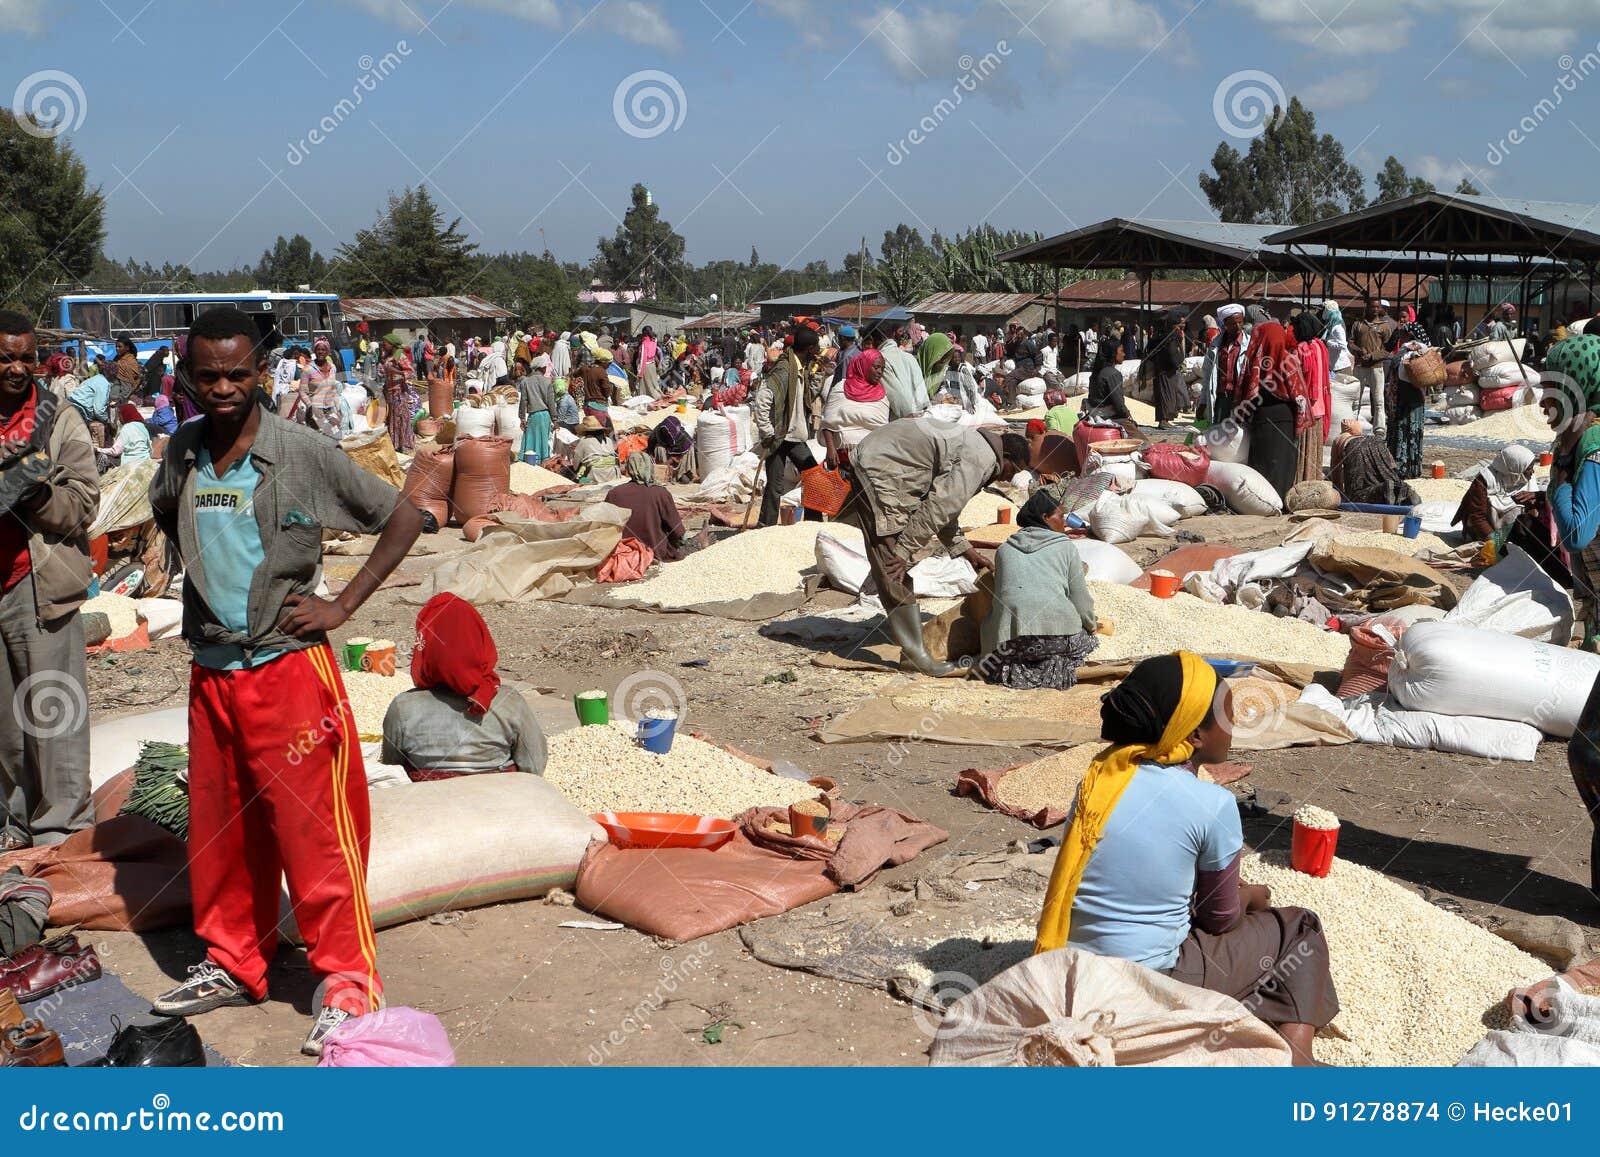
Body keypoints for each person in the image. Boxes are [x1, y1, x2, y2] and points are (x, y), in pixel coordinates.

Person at [146, 307, 425, 1055]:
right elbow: (170, 518)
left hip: (288, 671)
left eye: (239, 372)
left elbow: (402, 515)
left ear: (263, 372)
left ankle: (347, 983)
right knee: (222, 830)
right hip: (214, 671)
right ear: (188, 377)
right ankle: (236, 958)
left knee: (316, 838)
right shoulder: (180, 453)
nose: (225, 386)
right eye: (209, 375)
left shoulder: (301, 453)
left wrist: (343, 601)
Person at [1033, 652, 1339, 1064]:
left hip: (1072, 970)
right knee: (1300, 928)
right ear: (1195, 735)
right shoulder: (1211, 803)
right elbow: (1220, 919)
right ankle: (1294, 1056)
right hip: (1148, 982)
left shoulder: (1099, 778)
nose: (1234, 728)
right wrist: (1253, 897)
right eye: (1228, 717)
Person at [0, 311, 97, 852]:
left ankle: (61, 830)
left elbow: (84, 504)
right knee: (5, 723)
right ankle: (17, 824)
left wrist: (34, 492)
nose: (18, 368)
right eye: (6, 358)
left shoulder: (59, 419)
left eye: (26, 357)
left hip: (39, 588)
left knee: (54, 712)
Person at [846, 419, 1031, 677]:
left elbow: (944, 510)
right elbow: (938, 508)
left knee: (894, 557)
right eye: (1012, 470)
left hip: (883, 462)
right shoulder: (980, 460)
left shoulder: (979, 449)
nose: (1008, 477)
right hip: (881, 471)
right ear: (1006, 456)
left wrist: (966, 550)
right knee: (891, 564)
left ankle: (913, 647)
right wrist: (903, 552)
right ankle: (915, 655)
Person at [381, 594, 546, 783]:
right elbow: (534, 767)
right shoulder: (509, 701)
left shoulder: (403, 708)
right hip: (499, 805)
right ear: (480, 642)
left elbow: (392, 772)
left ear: (426, 648)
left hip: (431, 807)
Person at [977, 484, 1099, 690]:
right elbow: (1080, 600)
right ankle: (1054, 663)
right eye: (1060, 517)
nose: (1065, 522)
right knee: (1090, 642)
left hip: (1012, 644)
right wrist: (1091, 626)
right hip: (1057, 640)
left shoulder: (1004, 550)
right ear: (1045, 518)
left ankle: (1024, 667)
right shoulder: (1065, 547)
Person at [1546, 335, 1600, 649]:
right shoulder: (1580, 436)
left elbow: (1577, 534)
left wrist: (1562, 478)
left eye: (1551, 389)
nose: (1542, 402)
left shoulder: (1592, 443)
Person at [753, 324, 824, 527]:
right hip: (779, 435)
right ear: (810, 349)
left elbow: (809, 393)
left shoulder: (800, 368)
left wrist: (821, 373)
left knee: (813, 475)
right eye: (816, 347)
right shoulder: (784, 370)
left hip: (792, 435)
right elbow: (763, 399)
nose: (818, 352)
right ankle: (765, 526)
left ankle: (813, 522)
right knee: (775, 485)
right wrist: (767, 431)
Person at [1239, 320, 1310, 502]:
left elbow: (1243, 393)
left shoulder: (1252, 362)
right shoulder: (1288, 361)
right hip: (1285, 417)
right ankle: (1281, 501)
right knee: (1282, 462)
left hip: (1260, 416)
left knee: (1261, 462)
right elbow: (1300, 396)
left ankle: (1262, 503)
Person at [819, 346, 891, 471]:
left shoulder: (882, 396)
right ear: (864, 366)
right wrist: (830, 449)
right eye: (876, 367)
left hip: (871, 461)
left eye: (882, 369)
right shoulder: (841, 388)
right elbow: (828, 423)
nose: (880, 372)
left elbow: (883, 431)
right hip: (843, 459)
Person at [606, 451, 687, 561]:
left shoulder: (614, 493)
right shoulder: (660, 492)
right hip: (655, 552)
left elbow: (604, 526)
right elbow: (678, 530)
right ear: (650, 467)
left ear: (629, 469)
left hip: (621, 553)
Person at [1453, 445, 1537, 542]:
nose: (1532, 472)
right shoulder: (1485, 480)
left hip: (1511, 531)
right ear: (1514, 468)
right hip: (1484, 531)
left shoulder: (1527, 478)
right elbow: (1477, 515)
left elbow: (1534, 510)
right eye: (1529, 469)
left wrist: (1536, 497)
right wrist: (1496, 542)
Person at [1387, 318, 1432, 479]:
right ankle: (1406, 466)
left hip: (1408, 396)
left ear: (1409, 335)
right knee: (1406, 430)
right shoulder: (1409, 351)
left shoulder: (1413, 352)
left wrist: (1412, 346)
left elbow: (1424, 349)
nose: (1401, 336)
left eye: (1403, 334)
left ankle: (1405, 467)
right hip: (1409, 396)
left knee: (1405, 430)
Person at [1329, 430, 1420, 507]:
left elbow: (1335, 470)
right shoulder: (1365, 435)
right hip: (1377, 442)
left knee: (1355, 494)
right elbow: (1392, 465)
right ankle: (1404, 489)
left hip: (1355, 448)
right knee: (1388, 478)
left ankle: (1383, 488)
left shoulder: (1338, 440)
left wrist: (1337, 492)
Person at [1292, 312, 1332, 476]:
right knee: (1314, 448)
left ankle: (1302, 479)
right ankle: (1313, 478)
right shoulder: (1320, 345)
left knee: (1303, 448)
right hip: (1320, 404)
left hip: (1306, 407)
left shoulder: (1301, 349)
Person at [1349, 300, 1396, 436]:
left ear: (1380, 309)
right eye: (1372, 306)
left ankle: (1379, 428)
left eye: (1377, 307)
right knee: (1356, 399)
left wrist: (1372, 356)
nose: (1375, 309)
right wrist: (1359, 350)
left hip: (1376, 366)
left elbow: (1387, 349)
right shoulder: (1358, 324)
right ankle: (1353, 426)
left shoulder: (1384, 327)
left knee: (1378, 399)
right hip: (1360, 366)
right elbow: (1350, 343)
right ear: (1368, 307)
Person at [1200, 303, 1249, 422]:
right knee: (1219, 433)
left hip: (1241, 398)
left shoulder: (1249, 344)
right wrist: (1203, 402)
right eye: (1233, 323)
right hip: (1221, 398)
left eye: (1240, 322)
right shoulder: (1215, 345)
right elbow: (1207, 375)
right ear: (1225, 324)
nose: (1238, 326)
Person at [1145, 310, 1187, 429]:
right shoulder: (1170, 337)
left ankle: (1166, 420)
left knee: (1168, 395)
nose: (1182, 326)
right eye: (1179, 323)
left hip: (1165, 371)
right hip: (1165, 371)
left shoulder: (1165, 335)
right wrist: (1179, 360)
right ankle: (1163, 421)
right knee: (1165, 396)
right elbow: (1172, 355)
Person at [379, 332, 417, 452]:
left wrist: (396, 371)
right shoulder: (388, 357)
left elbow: (411, 372)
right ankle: (395, 444)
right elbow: (383, 373)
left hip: (399, 393)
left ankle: (405, 445)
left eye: (385, 344)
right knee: (392, 419)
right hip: (389, 392)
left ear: (392, 344)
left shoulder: (400, 356)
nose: (383, 346)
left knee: (401, 418)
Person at [878, 331, 928, 420]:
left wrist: (909, 417)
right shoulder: (910, 357)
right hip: (921, 415)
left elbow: (895, 395)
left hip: (902, 420)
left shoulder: (880, 359)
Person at [517, 353, 555, 465]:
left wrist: (522, 419)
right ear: (542, 368)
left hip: (533, 416)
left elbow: (523, 402)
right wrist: (555, 420)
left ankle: (530, 463)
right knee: (543, 441)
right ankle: (542, 463)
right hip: (545, 416)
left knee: (530, 441)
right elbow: (551, 403)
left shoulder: (525, 382)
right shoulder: (547, 382)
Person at [1084, 341, 1130, 422]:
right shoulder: (1113, 374)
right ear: (1113, 353)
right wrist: (1127, 414)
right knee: (1138, 435)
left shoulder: (1095, 373)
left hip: (1092, 415)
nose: (1124, 354)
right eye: (1121, 351)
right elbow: (1119, 405)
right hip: (1108, 416)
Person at [571, 415, 618, 482]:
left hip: (595, 473)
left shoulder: (584, 441)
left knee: (579, 474)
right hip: (612, 473)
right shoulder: (609, 440)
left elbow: (576, 462)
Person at [915, 332, 955, 403]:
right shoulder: (913, 370)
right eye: (941, 356)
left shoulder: (942, 372)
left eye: (946, 357)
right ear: (931, 354)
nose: (943, 361)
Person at [1319, 300, 1351, 374]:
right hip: (1333, 366)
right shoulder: (1330, 326)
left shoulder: (1337, 327)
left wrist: (1327, 342)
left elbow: (1342, 345)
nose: (1323, 312)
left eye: (1324, 310)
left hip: (1341, 367)